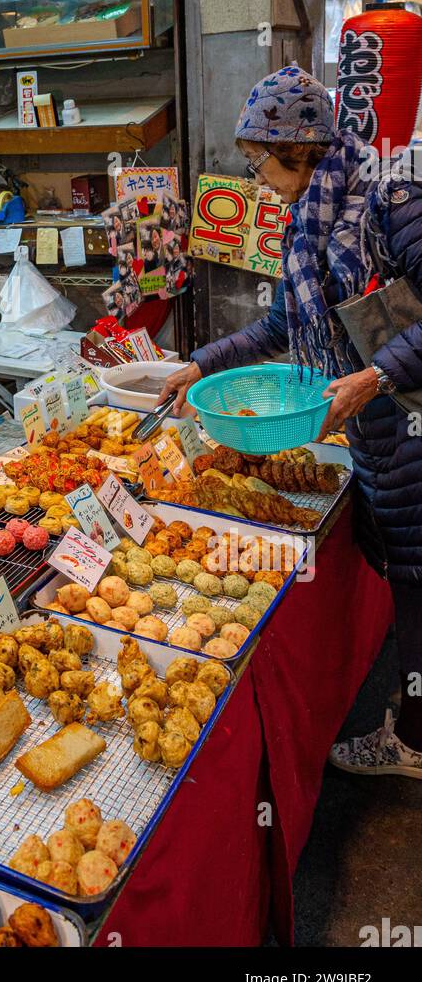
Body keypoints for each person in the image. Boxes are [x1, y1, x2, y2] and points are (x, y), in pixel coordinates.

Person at [159, 65, 422, 777]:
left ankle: (412, 743)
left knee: (418, 580)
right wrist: (202, 364)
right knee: (406, 568)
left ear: (298, 146)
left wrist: (379, 375)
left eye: (260, 162)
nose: (257, 178)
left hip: (409, 421)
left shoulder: (391, 198)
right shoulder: (309, 217)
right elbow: (280, 325)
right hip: (374, 432)